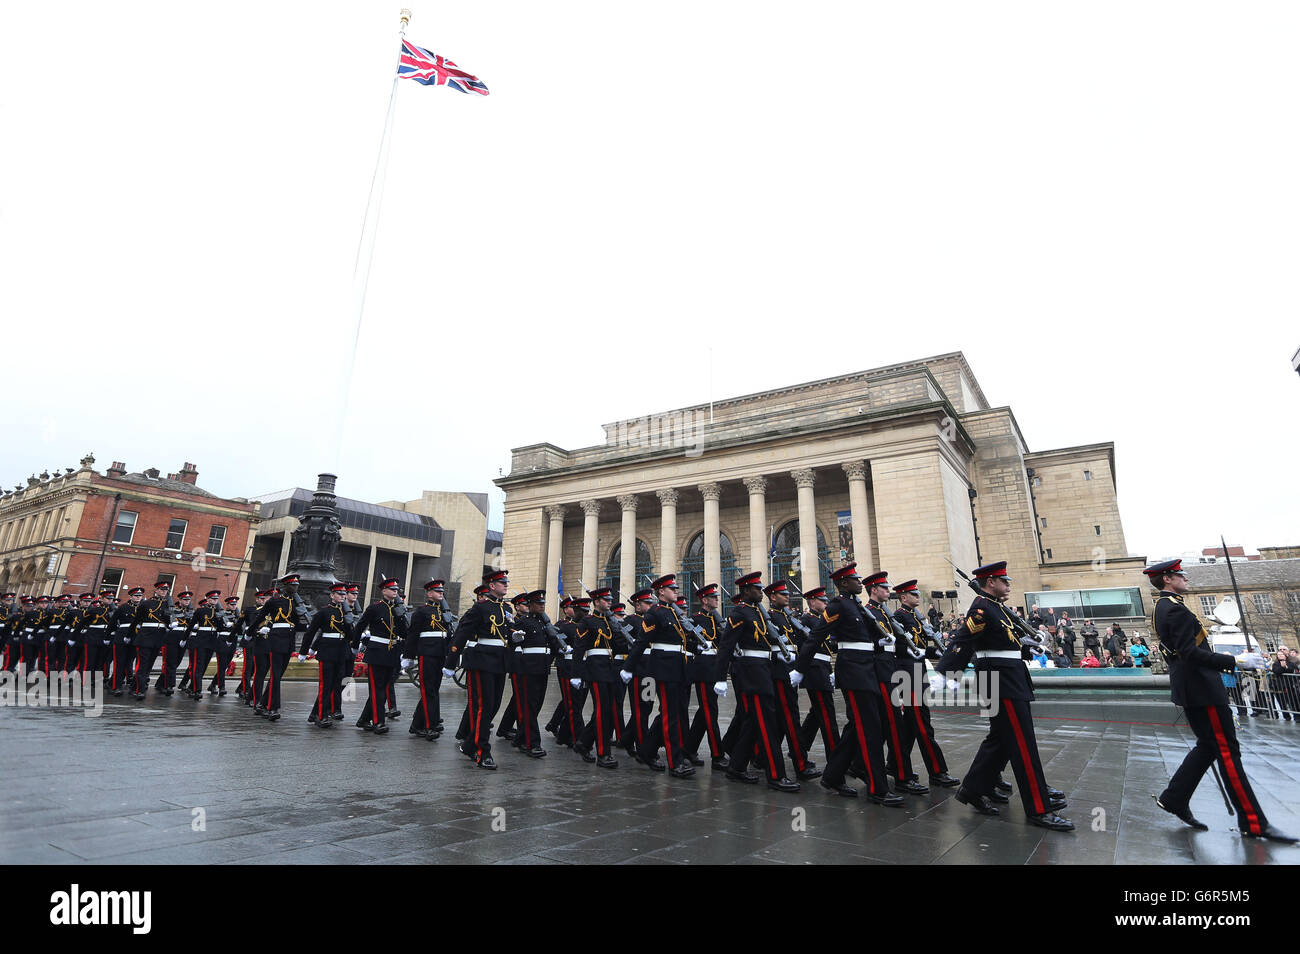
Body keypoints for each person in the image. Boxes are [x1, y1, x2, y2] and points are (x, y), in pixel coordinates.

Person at [1146, 559, 1295, 842]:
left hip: (1193, 688)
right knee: (1227, 751)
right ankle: (1253, 822)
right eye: (1180, 574)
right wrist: (1234, 661)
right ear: (1167, 579)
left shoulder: (1165, 607)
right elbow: (1189, 653)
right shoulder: (1173, 610)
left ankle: (1174, 798)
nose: (1185, 577)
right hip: (1202, 690)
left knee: (1208, 747)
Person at [934, 561, 1073, 831]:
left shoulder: (996, 607)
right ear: (989, 583)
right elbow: (964, 639)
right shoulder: (981, 608)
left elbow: (1004, 641)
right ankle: (1038, 807)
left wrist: (1026, 649)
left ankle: (973, 790)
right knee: (1022, 744)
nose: (1008, 585)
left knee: (1000, 741)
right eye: (1004, 581)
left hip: (1008, 676)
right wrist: (948, 673)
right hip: (1000, 680)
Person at [790, 563, 901, 805]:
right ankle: (877, 788)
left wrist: (882, 640)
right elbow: (816, 637)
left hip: (866, 670)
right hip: (854, 673)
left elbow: (864, 636)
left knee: (856, 728)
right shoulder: (838, 605)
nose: (860, 582)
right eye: (855, 579)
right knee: (869, 730)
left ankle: (832, 776)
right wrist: (799, 670)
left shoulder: (856, 605)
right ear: (843, 583)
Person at [712, 572, 798, 792]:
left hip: (764, 670)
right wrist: (720, 678)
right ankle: (776, 775)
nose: (761, 592)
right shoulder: (740, 612)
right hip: (751, 674)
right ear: (747, 591)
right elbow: (726, 646)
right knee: (767, 724)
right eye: (758, 589)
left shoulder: (758, 612)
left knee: (752, 722)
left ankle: (736, 766)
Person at [619, 574, 696, 780]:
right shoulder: (654, 614)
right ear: (661, 591)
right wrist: (628, 668)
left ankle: (645, 750)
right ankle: (674, 761)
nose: (676, 592)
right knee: (653, 711)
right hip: (658, 671)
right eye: (673, 589)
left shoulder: (672, 613)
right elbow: (641, 643)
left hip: (675, 668)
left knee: (671, 713)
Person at [891, 579, 959, 788]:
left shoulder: (917, 617)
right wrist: (915, 652)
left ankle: (894, 765)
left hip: (918, 672)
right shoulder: (899, 617)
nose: (918, 597)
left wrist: (934, 651)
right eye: (913, 594)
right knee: (922, 725)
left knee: (911, 727)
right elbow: (899, 647)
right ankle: (937, 772)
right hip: (907, 674)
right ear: (903, 598)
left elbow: (920, 646)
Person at [446, 569, 514, 768]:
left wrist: (515, 635)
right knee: (483, 707)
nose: (506, 584)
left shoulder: (507, 608)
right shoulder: (480, 608)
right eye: (502, 582)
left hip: (500, 662)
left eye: (506, 582)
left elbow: (507, 632)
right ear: (492, 586)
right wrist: (451, 661)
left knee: (493, 706)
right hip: (481, 661)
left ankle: (469, 745)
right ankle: (481, 751)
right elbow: (462, 633)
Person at [351, 577, 408, 735]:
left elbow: (404, 633)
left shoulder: (398, 608)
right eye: (392, 589)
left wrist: (401, 616)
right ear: (384, 591)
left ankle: (364, 719)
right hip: (377, 651)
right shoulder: (375, 608)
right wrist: (355, 646)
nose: (395, 592)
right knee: (377, 689)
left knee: (383, 688)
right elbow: (360, 626)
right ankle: (378, 722)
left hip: (392, 651)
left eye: (397, 590)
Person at [684, 583, 727, 769]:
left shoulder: (717, 619)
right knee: (710, 711)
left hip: (715, 667)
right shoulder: (695, 620)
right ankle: (717, 755)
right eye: (714, 597)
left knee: (705, 712)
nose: (717, 600)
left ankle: (689, 748)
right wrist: (698, 647)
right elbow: (685, 642)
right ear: (704, 600)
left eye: (717, 597)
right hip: (702, 669)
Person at [404, 580, 452, 740]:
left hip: (440, 654)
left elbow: (448, 635)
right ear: (429, 593)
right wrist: (408, 656)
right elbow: (412, 635)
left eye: (442, 591)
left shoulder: (445, 611)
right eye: (437, 591)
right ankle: (429, 726)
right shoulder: (422, 611)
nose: (441, 593)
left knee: (432, 690)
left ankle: (417, 725)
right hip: (427, 653)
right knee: (428, 690)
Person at [302, 583, 354, 729]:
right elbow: (311, 632)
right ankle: (321, 716)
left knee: (336, 684)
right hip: (327, 652)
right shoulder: (324, 612)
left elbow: (350, 636)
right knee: (325, 685)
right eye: (339, 594)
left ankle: (315, 713)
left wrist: (350, 625)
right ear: (332, 595)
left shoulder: (346, 613)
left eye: (344, 594)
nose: (342, 596)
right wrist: (304, 651)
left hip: (341, 652)